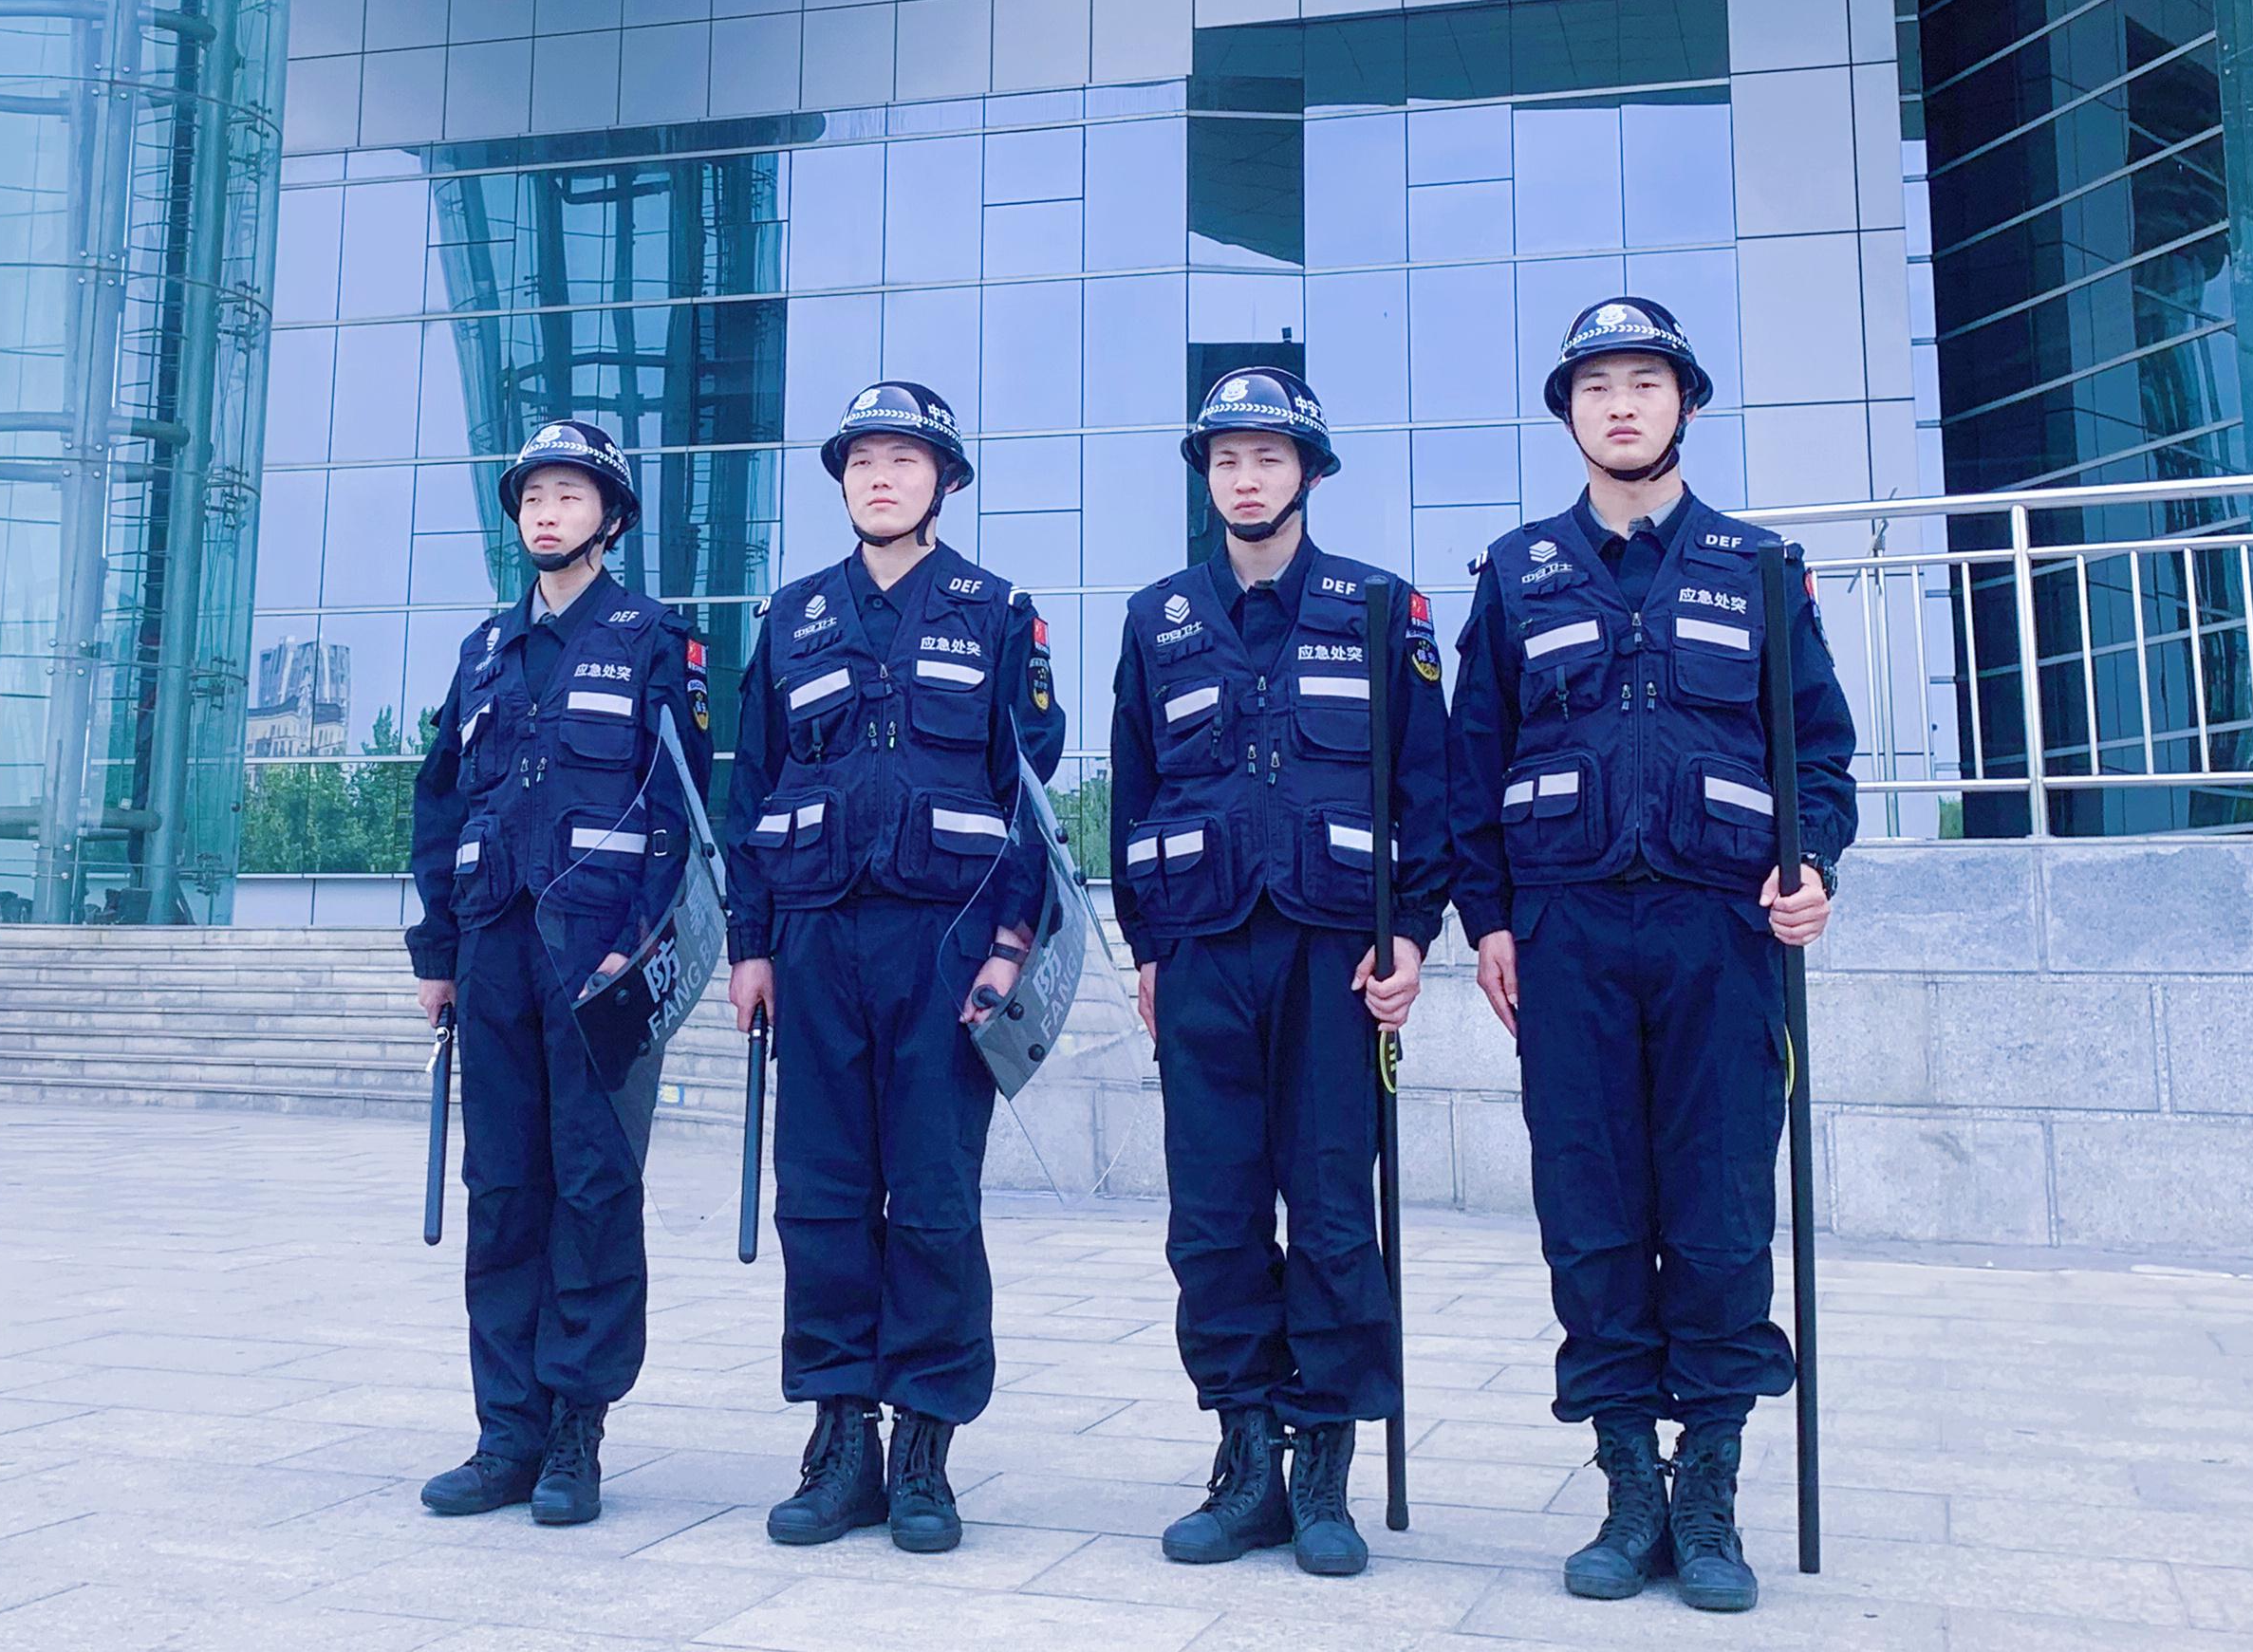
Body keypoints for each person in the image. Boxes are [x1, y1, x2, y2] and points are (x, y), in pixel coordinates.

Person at [1447, 298, 1853, 1615]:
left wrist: (1811, 864)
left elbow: (1820, 755)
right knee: (1590, 1210)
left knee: (1721, 1209)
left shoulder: (1759, 567)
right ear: (1566, 411)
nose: (1618, 405)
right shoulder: (1515, 574)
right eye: (1595, 386)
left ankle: (1708, 1489)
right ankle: (1628, 1487)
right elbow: (1467, 766)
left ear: (1683, 402)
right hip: (1564, 935)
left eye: (1643, 382)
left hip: (1717, 933)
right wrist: (1487, 919)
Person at [1108, 367, 1448, 1580]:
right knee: (1211, 1220)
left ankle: (1321, 1472)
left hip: (1332, 954)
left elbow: (1426, 790)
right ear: (1204, 477)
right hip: (1203, 950)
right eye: (1224, 459)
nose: (1244, 479)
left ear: (1307, 470)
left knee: (1332, 1213)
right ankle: (1245, 1459)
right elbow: (1133, 796)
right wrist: (1148, 948)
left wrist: (1412, 933)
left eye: (1267, 457)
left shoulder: (1381, 609)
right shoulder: (1155, 619)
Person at [723, 381, 1065, 1556]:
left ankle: (923, 1447)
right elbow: (751, 794)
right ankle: (838, 1443)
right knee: (819, 1195)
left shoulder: (996, 613)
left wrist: (1010, 948)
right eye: (861, 460)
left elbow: (1028, 801)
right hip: (815, 942)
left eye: (903, 460)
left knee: (930, 1198)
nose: (879, 477)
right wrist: (749, 945)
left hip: (946, 946)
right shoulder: (792, 616)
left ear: (943, 481)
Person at [405, 418, 713, 1529]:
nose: (547, 512)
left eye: (570, 495)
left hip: (599, 961)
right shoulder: (484, 649)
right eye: (533, 495)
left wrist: (642, 941)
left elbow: (681, 810)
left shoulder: (653, 639)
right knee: (501, 1192)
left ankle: (576, 1430)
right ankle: (507, 1432)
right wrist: (437, 950)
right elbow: (443, 801)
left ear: (611, 516)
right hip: (494, 948)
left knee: (592, 1189)